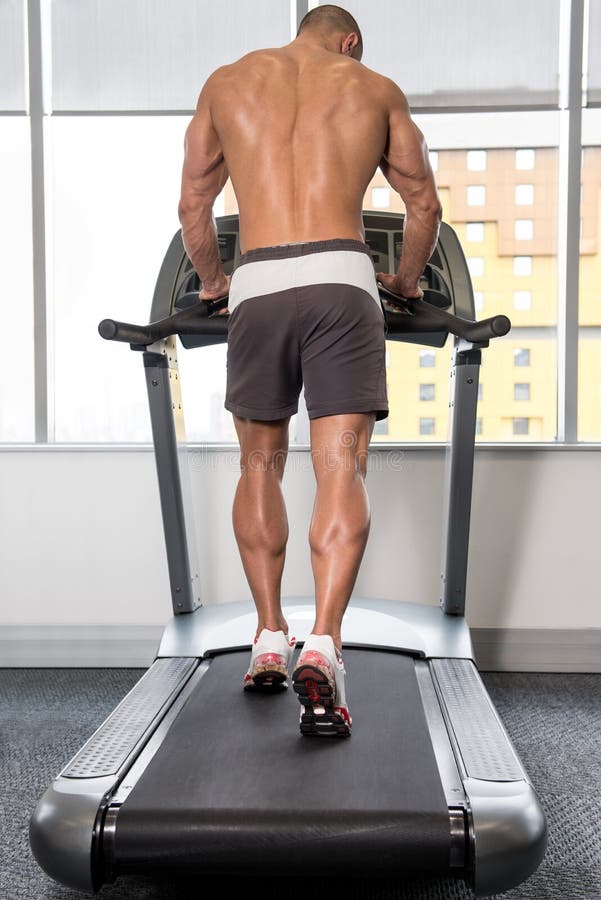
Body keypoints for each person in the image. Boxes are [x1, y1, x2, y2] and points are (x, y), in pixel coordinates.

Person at [178, 4, 442, 737]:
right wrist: (408, 283)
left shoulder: (227, 82)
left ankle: (268, 635)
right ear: (348, 42)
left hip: (257, 284)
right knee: (340, 469)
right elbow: (422, 203)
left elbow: (193, 202)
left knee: (258, 462)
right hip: (342, 279)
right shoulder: (375, 87)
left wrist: (210, 283)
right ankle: (322, 641)